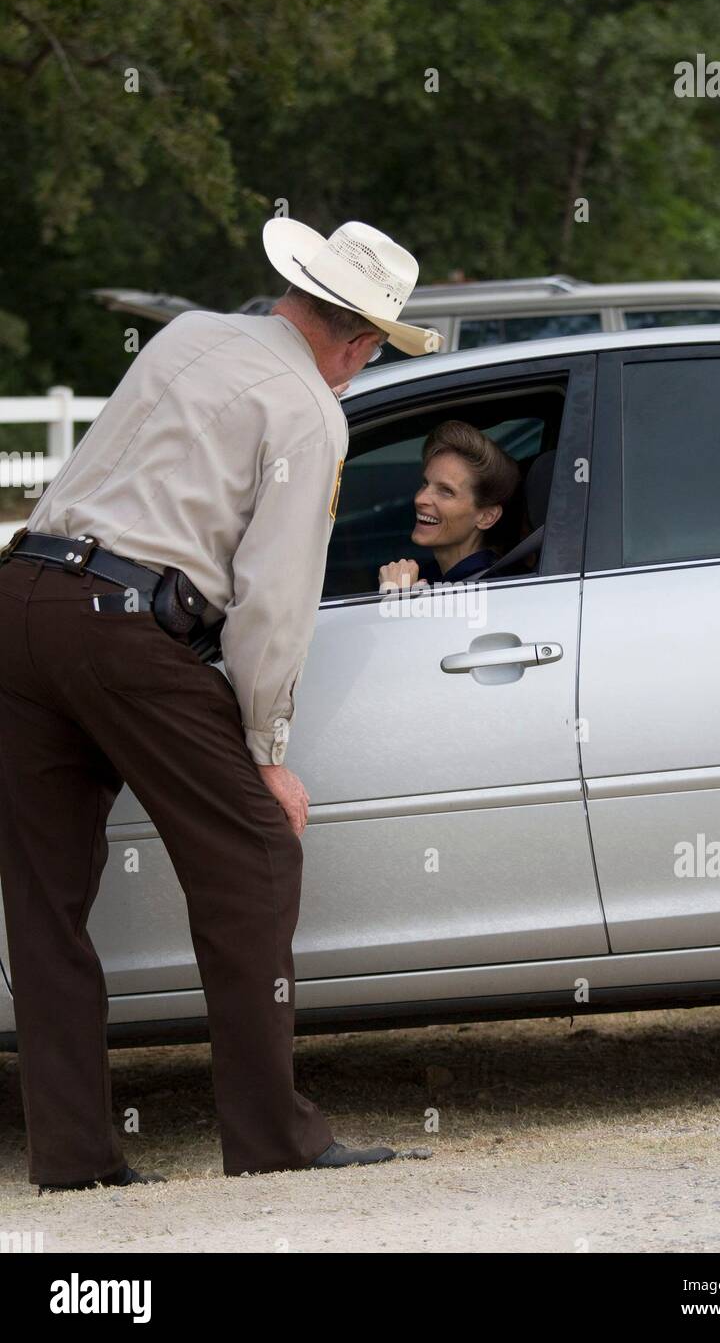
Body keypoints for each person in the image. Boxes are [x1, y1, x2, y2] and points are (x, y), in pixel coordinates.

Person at [0, 217, 442, 1193]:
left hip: (21, 594)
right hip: (117, 623)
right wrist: (266, 748)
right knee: (254, 850)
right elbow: (273, 597)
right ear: (362, 341)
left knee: (43, 897)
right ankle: (272, 1133)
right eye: (367, 356)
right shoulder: (311, 411)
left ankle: (73, 1155)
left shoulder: (188, 334)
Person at [378, 420, 520, 592]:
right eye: (425, 483)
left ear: (486, 517)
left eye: (446, 491)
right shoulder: (435, 575)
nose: (420, 498)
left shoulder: (493, 590)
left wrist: (395, 596)